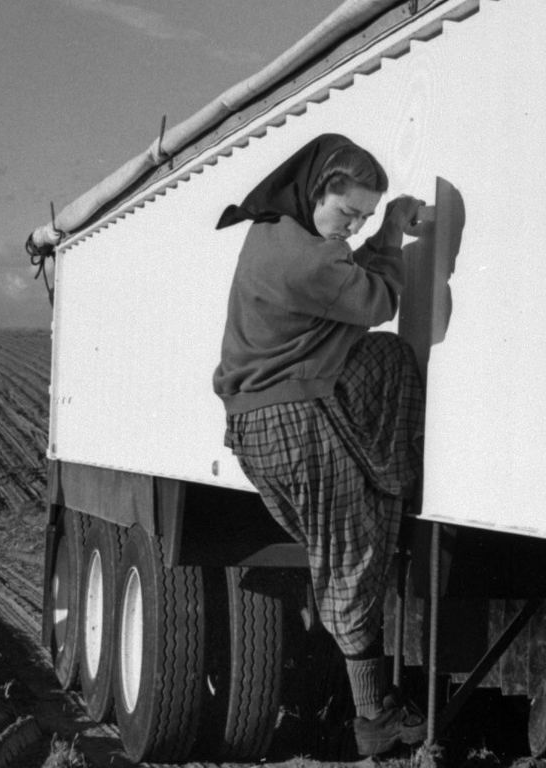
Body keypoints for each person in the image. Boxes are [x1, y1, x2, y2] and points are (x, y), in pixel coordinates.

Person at [213, 133, 427, 755]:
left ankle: (383, 478)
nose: (350, 229)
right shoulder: (308, 260)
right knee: (351, 554)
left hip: (260, 424)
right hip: (294, 422)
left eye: (361, 218)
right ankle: (374, 718)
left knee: (337, 550)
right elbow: (380, 298)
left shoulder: (276, 229)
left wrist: (369, 232)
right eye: (347, 213)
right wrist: (388, 236)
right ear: (318, 189)